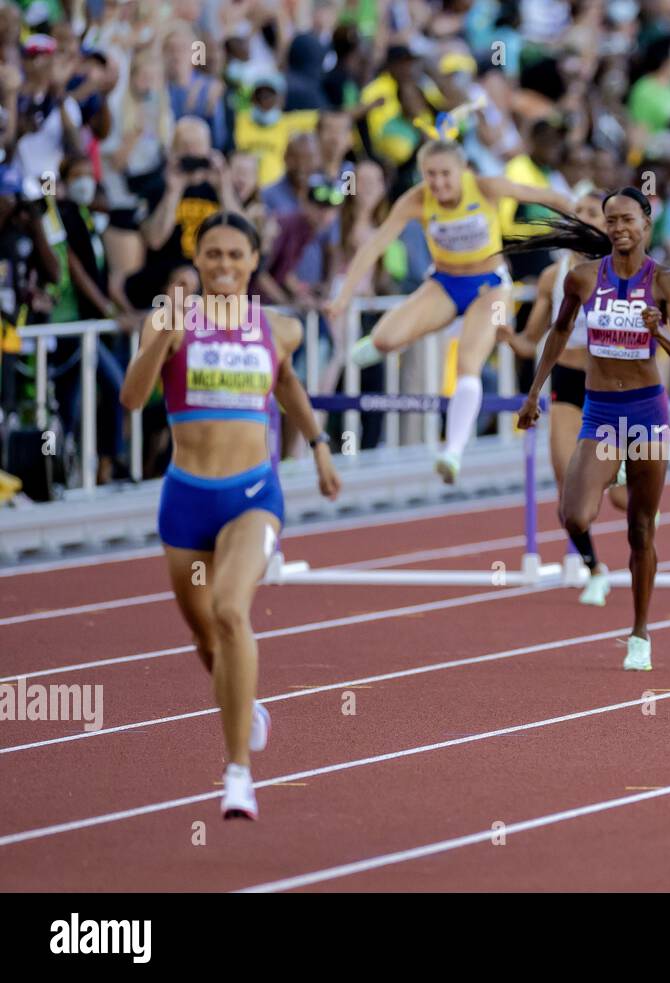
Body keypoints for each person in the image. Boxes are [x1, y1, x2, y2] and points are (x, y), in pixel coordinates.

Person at [120, 212, 341, 820]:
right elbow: (133, 399)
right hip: (186, 500)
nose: (222, 266)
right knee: (204, 634)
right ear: (198, 260)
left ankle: (237, 771)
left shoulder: (279, 328)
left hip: (252, 497)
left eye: (234, 256)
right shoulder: (170, 322)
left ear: (252, 261)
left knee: (228, 609)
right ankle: (246, 702)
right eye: (211, 255)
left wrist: (319, 445)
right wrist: (162, 336)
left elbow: (288, 383)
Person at [513, 188, 670, 671]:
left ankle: (639, 634)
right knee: (573, 514)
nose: (618, 227)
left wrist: (659, 333)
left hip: (646, 412)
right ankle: (606, 482)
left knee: (640, 529)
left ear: (647, 223)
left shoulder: (668, 282)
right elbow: (557, 332)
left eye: (627, 219)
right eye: (611, 220)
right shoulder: (582, 279)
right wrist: (534, 394)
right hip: (600, 411)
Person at [326, 139, 571, 483]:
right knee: (384, 340)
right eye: (430, 175)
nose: (438, 183)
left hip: (489, 286)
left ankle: (452, 452)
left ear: (462, 172)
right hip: (444, 283)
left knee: (467, 366)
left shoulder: (485, 187)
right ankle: (378, 345)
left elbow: (548, 197)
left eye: (445, 174)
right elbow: (374, 245)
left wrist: (587, 221)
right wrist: (343, 298)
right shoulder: (417, 199)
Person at [498, 189, 628, 605]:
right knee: (568, 486)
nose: (582, 218)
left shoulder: (624, 272)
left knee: (624, 500)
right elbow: (532, 341)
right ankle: (594, 568)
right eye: (579, 212)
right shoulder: (555, 278)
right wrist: (506, 336)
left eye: (593, 213)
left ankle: (630, 481)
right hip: (569, 383)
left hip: (614, 387)